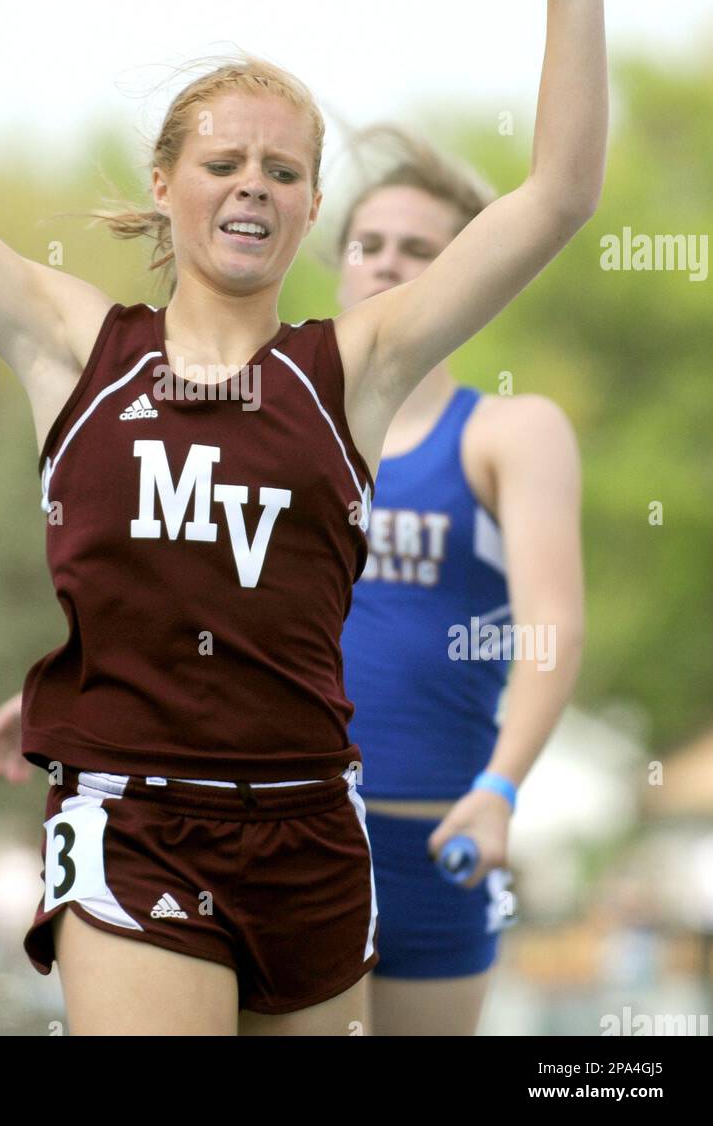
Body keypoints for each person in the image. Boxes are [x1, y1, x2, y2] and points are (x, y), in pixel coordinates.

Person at [0, 0, 614, 1034]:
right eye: (225, 161)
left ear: (313, 205)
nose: (255, 186)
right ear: (164, 184)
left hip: (315, 825)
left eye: (285, 171)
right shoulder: (71, 342)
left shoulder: (356, 368)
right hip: (138, 822)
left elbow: (558, 195)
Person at [326, 123, 584, 1035]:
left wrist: (504, 786)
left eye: (420, 248)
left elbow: (551, 631)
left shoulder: (509, 433)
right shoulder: (280, 420)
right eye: (370, 245)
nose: (389, 264)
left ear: (467, 271)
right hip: (296, 832)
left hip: (437, 830)